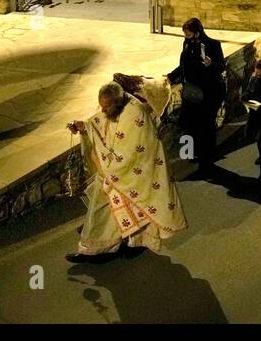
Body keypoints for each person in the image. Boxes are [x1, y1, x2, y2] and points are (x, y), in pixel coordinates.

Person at [65, 81, 187, 262]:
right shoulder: (115, 107)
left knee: (138, 207)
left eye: (107, 107)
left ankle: (133, 243)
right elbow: (100, 121)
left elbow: (132, 153)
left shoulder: (135, 114)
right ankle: (95, 249)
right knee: (102, 208)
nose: (104, 110)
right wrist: (84, 126)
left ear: (117, 102)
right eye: (102, 106)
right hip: (118, 172)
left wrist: (110, 169)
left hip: (138, 172)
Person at [167, 18, 226, 172]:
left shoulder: (213, 45)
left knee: (206, 125)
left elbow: (221, 66)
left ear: (197, 32)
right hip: (192, 91)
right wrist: (171, 77)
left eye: (188, 32)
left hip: (209, 92)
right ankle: (192, 153)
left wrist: (210, 65)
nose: (186, 35)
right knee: (190, 123)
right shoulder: (187, 44)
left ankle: (207, 159)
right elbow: (184, 66)